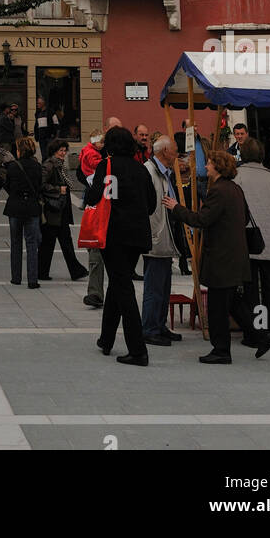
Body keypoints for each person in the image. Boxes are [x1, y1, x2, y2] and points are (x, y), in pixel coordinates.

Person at [165, 149, 270, 364]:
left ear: (217, 167)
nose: (205, 167)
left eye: (208, 164)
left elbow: (202, 219)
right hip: (235, 255)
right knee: (234, 303)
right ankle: (263, 337)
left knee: (218, 308)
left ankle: (221, 350)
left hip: (222, 258)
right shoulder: (235, 189)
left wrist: (176, 208)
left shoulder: (218, 191)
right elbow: (244, 218)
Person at [91, 125, 156, 366]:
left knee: (123, 288)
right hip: (137, 236)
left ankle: (138, 350)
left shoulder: (106, 167)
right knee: (119, 283)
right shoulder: (140, 170)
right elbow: (151, 205)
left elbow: (93, 197)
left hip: (113, 235)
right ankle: (106, 339)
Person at [237, 137, 270, 344]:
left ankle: (254, 333)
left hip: (247, 241)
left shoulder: (238, 177)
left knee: (251, 291)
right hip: (269, 242)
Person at [141, 137, 182, 346]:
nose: (177, 153)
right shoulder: (149, 171)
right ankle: (149, 328)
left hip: (165, 235)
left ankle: (158, 324)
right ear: (165, 151)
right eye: (174, 150)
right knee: (154, 286)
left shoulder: (164, 172)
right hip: (156, 235)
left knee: (164, 286)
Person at [39, 139, 87, 283]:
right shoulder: (49, 165)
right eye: (61, 151)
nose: (63, 153)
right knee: (50, 243)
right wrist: (57, 189)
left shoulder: (60, 166)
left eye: (65, 151)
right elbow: (41, 185)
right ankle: (43, 271)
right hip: (53, 210)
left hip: (61, 210)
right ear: (54, 151)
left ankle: (74, 271)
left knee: (64, 242)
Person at [3, 136, 43, 288]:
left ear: (19, 150)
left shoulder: (13, 166)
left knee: (16, 242)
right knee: (32, 243)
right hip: (32, 206)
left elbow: (7, 185)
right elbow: (39, 185)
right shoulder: (37, 166)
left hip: (15, 206)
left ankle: (16, 277)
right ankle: (33, 280)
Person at [78, 130, 106, 308]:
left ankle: (97, 293)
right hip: (99, 214)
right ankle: (95, 293)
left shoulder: (92, 154)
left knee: (97, 255)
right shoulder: (98, 158)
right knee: (95, 254)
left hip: (104, 214)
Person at [33, 96, 60, 160]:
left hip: (49, 136)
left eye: (39, 103)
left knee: (50, 154)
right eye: (37, 103)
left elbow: (56, 123)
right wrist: (36, 135)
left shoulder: (50, 112)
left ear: (43, 103)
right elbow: (37, 125)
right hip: (41, 137)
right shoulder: (37, 113)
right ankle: (44, 167)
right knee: (44, 155)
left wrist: (54, 134)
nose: (37, 105)